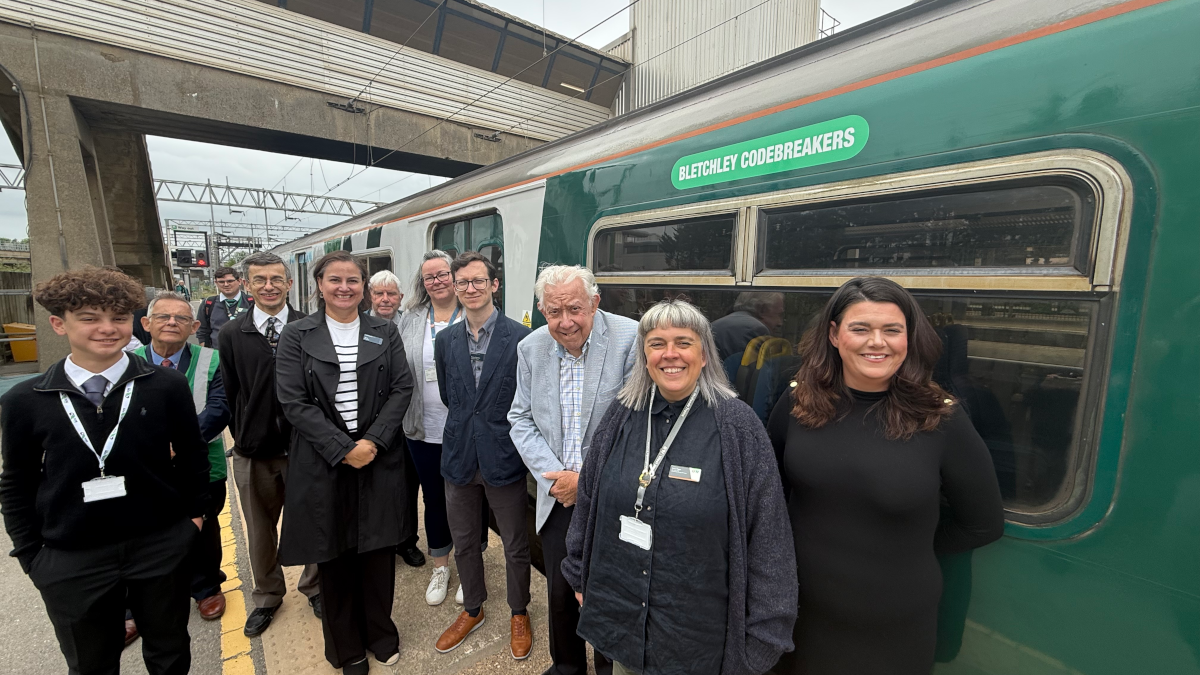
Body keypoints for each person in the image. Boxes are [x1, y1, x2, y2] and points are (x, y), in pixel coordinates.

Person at [766, 277, 1004, 675]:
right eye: (861, 328)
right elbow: (769, 496)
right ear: (835, 335)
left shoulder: (941, 418)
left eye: (892, 330)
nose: (877, 342)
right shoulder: (796, 402)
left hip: (892, 628)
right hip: (798, 616)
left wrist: (905, 549)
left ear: (908, 338)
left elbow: (984, 524)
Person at [563, 299, 798, 675]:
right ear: (644, 355)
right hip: (622, 624)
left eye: (683, 342)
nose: (670, 354)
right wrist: (578, 574)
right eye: (657, 343)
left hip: (700, 645)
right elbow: (589, 499)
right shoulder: (621, 414)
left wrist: (764, 640)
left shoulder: (739, 429)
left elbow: (768, 538)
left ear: (704, 354)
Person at [0, 266, 209, 675]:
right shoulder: (27, 400)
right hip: (71, 555)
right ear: (59, 324)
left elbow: (191, 454)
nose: (107, 329)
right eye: (90, 318)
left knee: (169, 651)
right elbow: (16, 481)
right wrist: (31, 555)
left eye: (117, 318)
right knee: (91, 661)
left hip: (160, 543)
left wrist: (193, 520)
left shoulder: (164, 386)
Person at [275, 251, 414, 675]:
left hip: (377, 457)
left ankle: (380, 635)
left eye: (353, 280)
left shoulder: (383, 330)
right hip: (324, 462)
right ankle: (347, 648)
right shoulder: (298, 335)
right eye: (335, 280)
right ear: (319, 285)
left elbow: (401, 387)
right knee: (333, 558)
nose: (344, 287)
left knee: (376, 553)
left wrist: (372, 441)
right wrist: (343, 447)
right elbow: (293, 401)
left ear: (364, 287)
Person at [508, 265, 638, 675]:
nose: (565, 322)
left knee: (607, 592)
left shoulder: (630, 340)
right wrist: (554, 477)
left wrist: (587, 481)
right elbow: (520, 418)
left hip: (610, 494)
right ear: (543, 311)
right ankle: (566, 665)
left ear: (595, 303)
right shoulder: (531, 349)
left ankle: (607, 668)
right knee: (561, 590)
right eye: (554, 312)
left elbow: (640, 425)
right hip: (558, 493)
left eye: (575, 309)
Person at [433, 251, 533, 659]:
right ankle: (472, 608)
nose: (470, 289)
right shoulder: (445, 340)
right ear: (454, 289)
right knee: (464, 542)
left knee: (514, 544)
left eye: (478, 281)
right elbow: (449, 396)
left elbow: (526, 400)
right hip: (458, 456)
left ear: (495, 285)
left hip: (503, 456)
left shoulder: (521, 338)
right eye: (463, 283)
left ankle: (518, 611)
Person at [218, 252, 320, 636]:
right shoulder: (231, 334)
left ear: (290, 284)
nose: (269, 286)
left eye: (277, 279)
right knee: (260, 531)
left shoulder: (311, 328)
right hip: (253, 452)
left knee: (311, 522)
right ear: (246, 285)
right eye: (259, 280)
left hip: (305, 448)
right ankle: (267, 596)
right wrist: (244, 432)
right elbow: (230, 392)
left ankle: (314, 586)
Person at [133, 291, 231, 621]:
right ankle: (139, 599)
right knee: (142, 528)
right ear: (146, 323)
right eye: (163, 317)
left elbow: (220, 407)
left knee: (204, 525)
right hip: (142, 465)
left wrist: (180, 442)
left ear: (194, 326)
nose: (172, 323)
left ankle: (206, 587)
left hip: (201, 462)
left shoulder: (211, 360)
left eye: (181, 318)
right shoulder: (126, 363)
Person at [369, 269, 424, 568]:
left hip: (406, 418)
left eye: (391, 294)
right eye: (379, 293)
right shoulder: (358, 324)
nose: (386, 299)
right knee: (374, 486)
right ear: (371, 296)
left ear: (401, 297)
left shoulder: (411, 324)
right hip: (370, 421)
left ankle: (406, 541)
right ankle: (378, 542)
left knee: (405, 485)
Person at [711, 292, 784, 362]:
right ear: (762, 310)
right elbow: (759, 371)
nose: (780, 323)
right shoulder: (756, 329)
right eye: (778, 314)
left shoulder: (715, 325)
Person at [198, 266, 251, 349]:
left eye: (230, 281)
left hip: (246, 354)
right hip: (218, 355)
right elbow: (202, 331)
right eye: (221, 282)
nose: (226, 284)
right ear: (216, 283)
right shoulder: (208, 304)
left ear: (239, 281)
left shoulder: (251, 302)